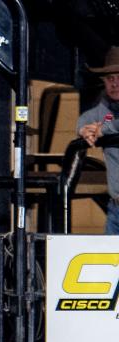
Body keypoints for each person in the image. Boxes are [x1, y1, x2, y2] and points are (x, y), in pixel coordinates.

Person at [77, 46, 119, 235]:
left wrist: (104, 129)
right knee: (109, 263)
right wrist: (84, 129)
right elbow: (88, 118)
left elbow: (109, 126)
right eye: (110, 78)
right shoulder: (105, 109)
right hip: (116, 207)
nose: (115, 84)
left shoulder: (108, 118)